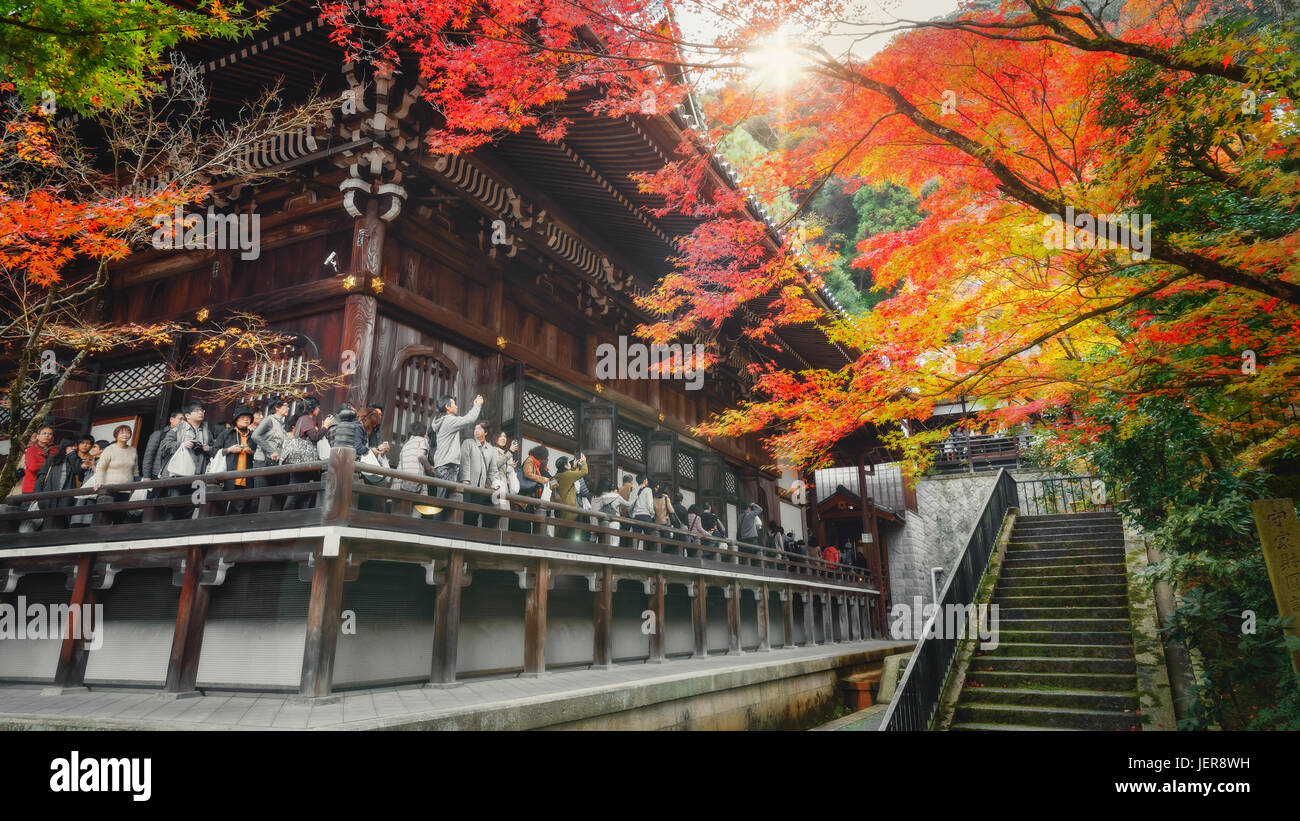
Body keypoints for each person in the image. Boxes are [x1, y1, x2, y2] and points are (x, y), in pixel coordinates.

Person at [428, 394, 484, 518]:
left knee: (444, 499)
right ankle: (437, 530)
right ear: (447, 407)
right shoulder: (449, 420)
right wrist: (477, 405)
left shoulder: (441, 421)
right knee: (443, 502)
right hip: (447, 465)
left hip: (443, 464)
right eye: (454, 404)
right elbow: (469, 419)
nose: (457, 406)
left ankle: (440, 529)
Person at [215, 407, 256, 515]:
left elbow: (259, 454)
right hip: (227, 476)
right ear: (236, 420)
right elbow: (213, 450)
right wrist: (229, 450)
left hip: (246, 477)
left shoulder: (253, 436)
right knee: (221, 507)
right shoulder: (226, 434)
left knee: (240, 508)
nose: (246, 420)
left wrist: (251, 452)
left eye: (248, 418)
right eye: (242, 417)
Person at [95, 424, 140, 523]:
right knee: (106, 516)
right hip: (109, 488)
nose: (125, 435)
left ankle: (114, 538)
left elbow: (135, 469)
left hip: (126, 489)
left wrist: (137, 483)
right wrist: (99, 482)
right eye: (122, 432)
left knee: (120, 516)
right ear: (116, 435)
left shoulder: (133, 450)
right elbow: (100, 468)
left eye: (128, 432)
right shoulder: (109, 449)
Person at [251, 398, 291, 506]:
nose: (288, 408)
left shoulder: (281, 425)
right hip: (262, 461)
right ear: (277, 408)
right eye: (285, 406)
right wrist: (271, 450)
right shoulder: (269, 420)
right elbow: (255, 436)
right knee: (260, 496)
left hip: (274, 463)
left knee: (271, 496)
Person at [458, 420, 492, 526]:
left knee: (475, 512)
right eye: (475, 428)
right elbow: (464, 461)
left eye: (479, 429)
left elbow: (492, 468)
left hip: (481, 485)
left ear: (485, 432)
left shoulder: (490, 448)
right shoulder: (468, 442)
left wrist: (493, 483)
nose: (476, 431)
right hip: (468, 482)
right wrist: (465, 479)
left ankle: (471, 534)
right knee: (465, 510)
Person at [486, 431, 520, 526]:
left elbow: (500, 465)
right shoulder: (493, 450)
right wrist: (510, 452)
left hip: (503, 486)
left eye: (505, 436)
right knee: (500, 512)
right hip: (497, 485)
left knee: (504, 512)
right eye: (500, 436)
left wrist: (509, 466)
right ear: (495, 438)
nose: (503, 438)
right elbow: (495, 464)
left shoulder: (502, 452)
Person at [552, 453, 588, 540]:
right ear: (565, 465)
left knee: (560, 531)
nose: (569, 464)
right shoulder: (568, 475)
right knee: (569, 534)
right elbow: (584, 472)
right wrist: (584, 462)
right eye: (568, 462)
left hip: (559, 507)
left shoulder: (555, 477)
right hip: (570, 509)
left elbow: (567, 479)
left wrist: (573, 467)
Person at [142, 410, 184, 482]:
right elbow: (149, 456)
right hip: (157, 474)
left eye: (184, 420)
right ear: (171, 420)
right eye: (180, 419)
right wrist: (146, 476)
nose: (183, 422)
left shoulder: (184, 436)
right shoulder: (159, 434)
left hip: (175, 473)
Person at [21, 425, 56, 495]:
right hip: (32, 487)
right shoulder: (31, 450)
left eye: (50, 434)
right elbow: (33, 467)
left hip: (49, 487)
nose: (47, 436)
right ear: (37, 436)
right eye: (44, 433)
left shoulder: (54, 450)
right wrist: (50, 464)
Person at [629, 473, 656, 550]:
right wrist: (652, 514)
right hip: (646, 516)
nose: (647, 481)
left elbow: (630, 505)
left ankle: (634, 553)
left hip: (636, 516)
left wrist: (632, 515)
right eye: (646, 479)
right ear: (644, 481)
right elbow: (650, 504)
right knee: (649, 538)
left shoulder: (633, 491)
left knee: (636, 537)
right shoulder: (648, 490)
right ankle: (650, 555)